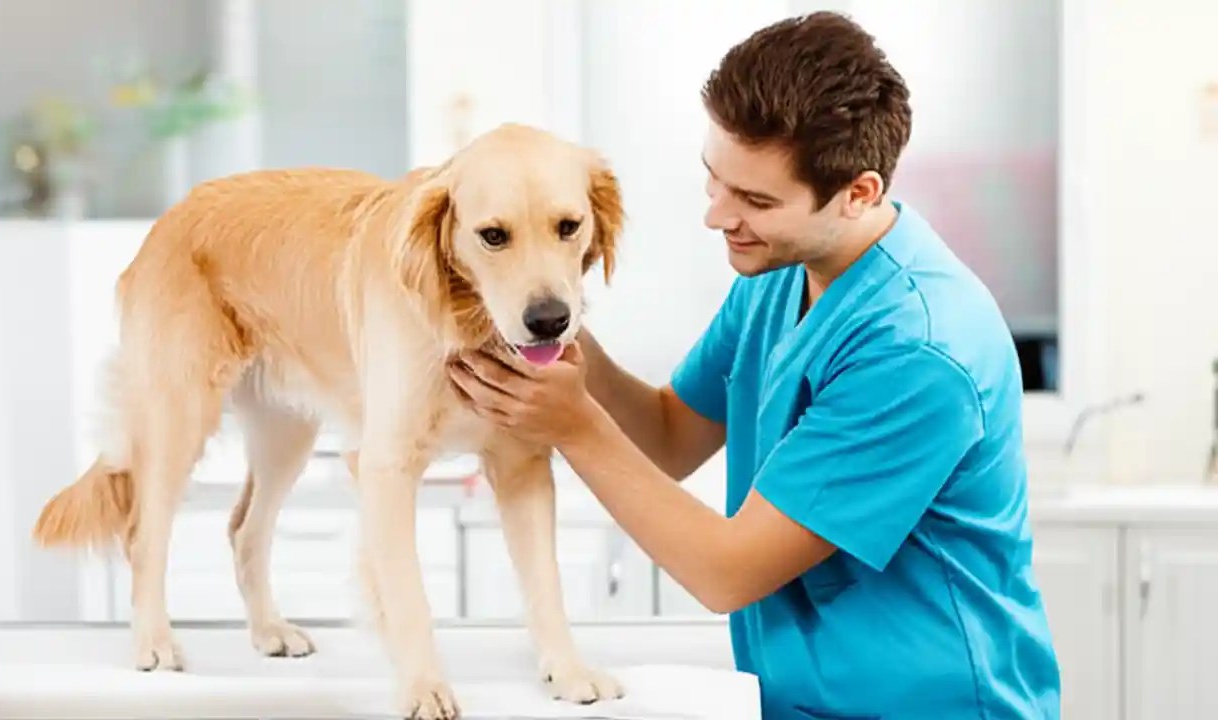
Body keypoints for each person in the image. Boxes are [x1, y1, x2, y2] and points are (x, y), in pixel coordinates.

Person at [446, 10, 1061, 720]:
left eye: (755, 200)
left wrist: (575, 426)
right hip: (802, 700)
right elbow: (670, 438)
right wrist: (561, 332)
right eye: (715, 180)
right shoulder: (776, 274)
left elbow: (726, 572)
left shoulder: (918, 352)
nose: (718, 216)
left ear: (858, 192)